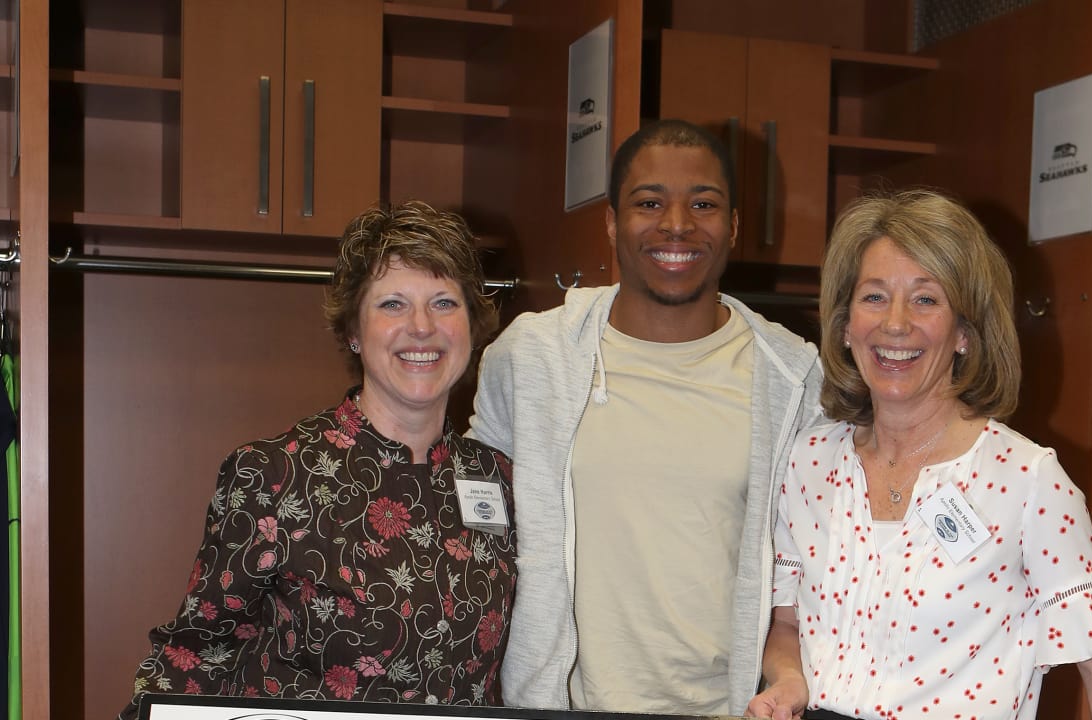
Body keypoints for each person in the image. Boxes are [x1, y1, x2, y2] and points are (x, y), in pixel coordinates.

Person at [746, 189, 1092, 720]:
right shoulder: (809, 461)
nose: (895, 323)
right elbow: (788, 623)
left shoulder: (1029, 481)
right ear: (844, 325)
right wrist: (789, 681)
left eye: (925, 298)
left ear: (964, 332)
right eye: (873, 297)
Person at [467, 119, 823, 716]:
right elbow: (476, 531)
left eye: (703, 204)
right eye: (649, 202)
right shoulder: (530, 358)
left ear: (733, 225)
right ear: (611, 222)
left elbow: (809, 567)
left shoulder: (793, 378)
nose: (677, 224)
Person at [118, 201, 516, 718]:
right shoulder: (272, 475)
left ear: (472, 326)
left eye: (444, 302)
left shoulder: (498, 478)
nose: (421, 326)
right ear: (354, 330)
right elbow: (193, 656)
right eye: (392, 304)